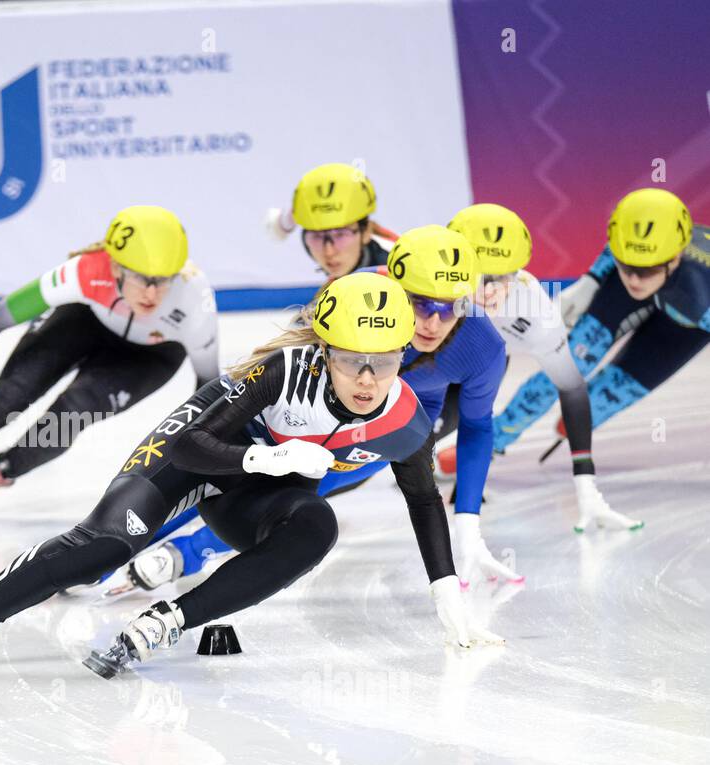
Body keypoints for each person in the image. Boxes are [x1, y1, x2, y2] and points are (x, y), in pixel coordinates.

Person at [0, 271, 498, 684]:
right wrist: (266, 458)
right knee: (99, 551)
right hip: (200, 455)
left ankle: (169, 620)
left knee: (317, 524)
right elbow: (191, 443)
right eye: (350, 362)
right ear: (323, 352)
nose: (367, 379)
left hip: (251, 499)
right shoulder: (285, 372)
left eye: (384, 363)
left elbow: (422, 500)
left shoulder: (405, 420)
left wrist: (447, 594)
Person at [121, 226, 522, 592]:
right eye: (420, 304)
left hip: (405, 412)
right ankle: (117, 544)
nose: (433, 323)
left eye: (449, 307)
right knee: (227, 467)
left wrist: (468, 527)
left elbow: (476, 429)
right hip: (332, 403)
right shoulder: (355, 293)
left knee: (313, 483)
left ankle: (185, 555)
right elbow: (294, 356)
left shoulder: (485, 348)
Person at [0, 205, 219, 508]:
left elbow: (208, 386)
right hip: (82, 322)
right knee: (7, 398)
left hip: (150, 356)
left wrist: (196, 455)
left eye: (163, 280)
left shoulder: (193, 297)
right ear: (114, 268)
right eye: (141, 278)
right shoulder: (85, 271)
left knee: (74, 410)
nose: (152, 293)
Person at [438, 203, 640, 531]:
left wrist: (586, 485)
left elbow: (572, 389)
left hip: (484, 357)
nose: (489, 291)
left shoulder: (535, 313)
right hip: (434, 350)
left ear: (517, 274)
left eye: (501, 278)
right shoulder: (429, 285)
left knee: (442, 424)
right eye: (479, 277)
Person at [492, 187, 707, 458]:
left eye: (647, 270)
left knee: (613, 393)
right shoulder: (633, 247)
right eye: (626, 264)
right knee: (564, 368)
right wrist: (591, 280)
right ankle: (492, 439)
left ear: (675, 258)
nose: (635, 280)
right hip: (628, 298)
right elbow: (618, 248)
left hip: (689, 324)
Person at [266, 162, 396, 278]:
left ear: (367, 231)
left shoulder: (398, 273)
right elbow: (276, 228)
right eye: (316, 236)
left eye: (340, 234)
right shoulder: (353, 271)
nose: (329, 252)